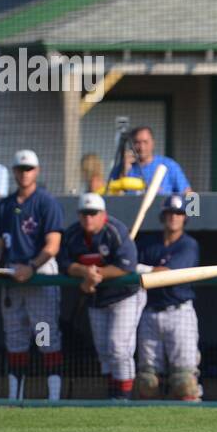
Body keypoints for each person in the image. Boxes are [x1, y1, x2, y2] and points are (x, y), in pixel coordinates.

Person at [0, 149, 65, 400]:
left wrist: (32, 267)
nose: (24, 173)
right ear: (14, 172)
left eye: (29, 169)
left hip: (40, 275)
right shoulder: (5, 205)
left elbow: (53, 245)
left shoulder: (46, 202)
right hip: (12, 274)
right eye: (20, 169)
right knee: (15, 338)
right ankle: (15, 397)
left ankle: (53, 398)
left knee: (45, 336)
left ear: (36, 171)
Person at [60, 193, 145, 400]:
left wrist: (96, 274)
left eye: (93, 213)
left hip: (124, 296)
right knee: (104, 350)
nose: (88, 218)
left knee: (119, 348)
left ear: (103, 214)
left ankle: (124, 396)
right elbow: (64, 263)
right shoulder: (72, 234)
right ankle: (113, 394)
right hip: (97, 299)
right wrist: (84, 272)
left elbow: (127, 267)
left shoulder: (116, 230)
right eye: (84, 214)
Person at [135, 194, 202, 401]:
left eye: (179, 213)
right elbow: (127, 266)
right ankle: (149, 418)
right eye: (170, 213)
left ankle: (190, 416)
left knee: (184, 380)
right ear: (163, 216)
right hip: (150, 311)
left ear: (185, 217)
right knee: (147, 380)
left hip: (179, 312)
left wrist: (142, 269)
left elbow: (169, 273)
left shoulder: (188, 245)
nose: (174, 217)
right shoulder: (148, 244)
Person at [126, 126, 191, 194]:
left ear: (152, 143)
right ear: (132, 145)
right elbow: (118, 196)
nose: (142, 147)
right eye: (137, 143)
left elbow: (188, 193)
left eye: (145, 142)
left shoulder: (169, 165)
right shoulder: (125, 167)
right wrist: (123, 172)